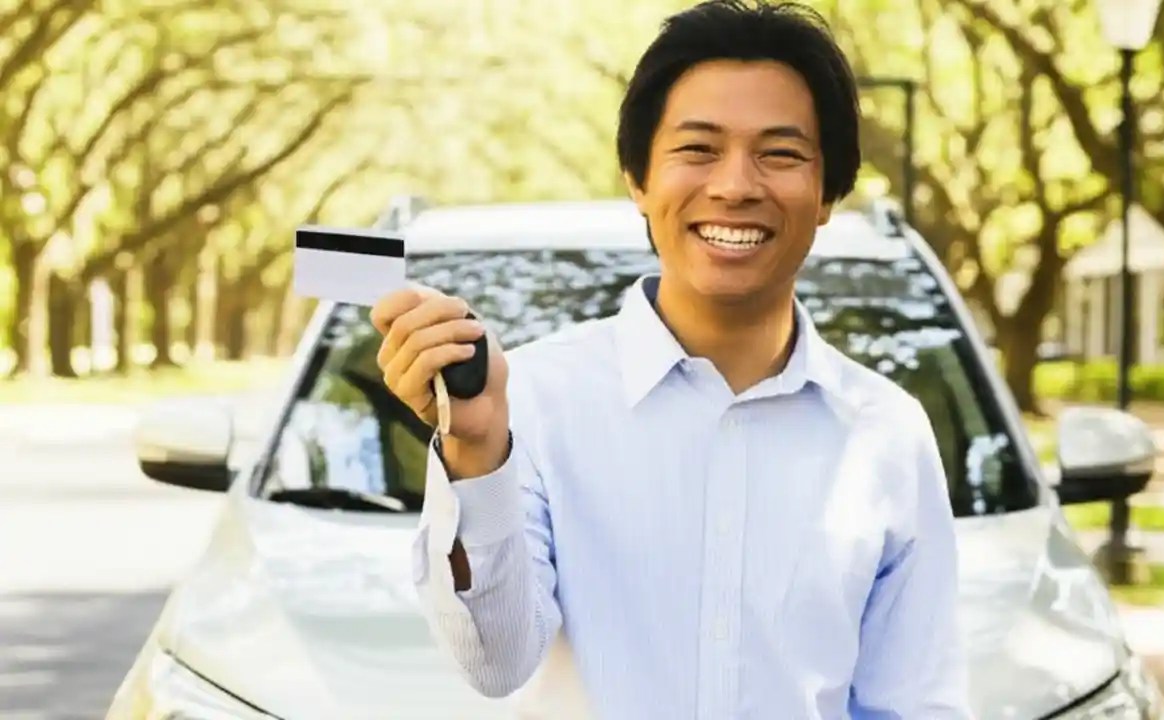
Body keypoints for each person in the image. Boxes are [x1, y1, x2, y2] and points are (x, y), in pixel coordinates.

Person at [370, 1, 972, 717]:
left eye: (780, 154)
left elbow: (913, 704)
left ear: (827, 194)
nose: (736, 186)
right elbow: (495, 662)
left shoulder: (887, 433)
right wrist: (474, 451)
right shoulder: (528, 400)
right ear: (638, 178)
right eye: (697, 149)